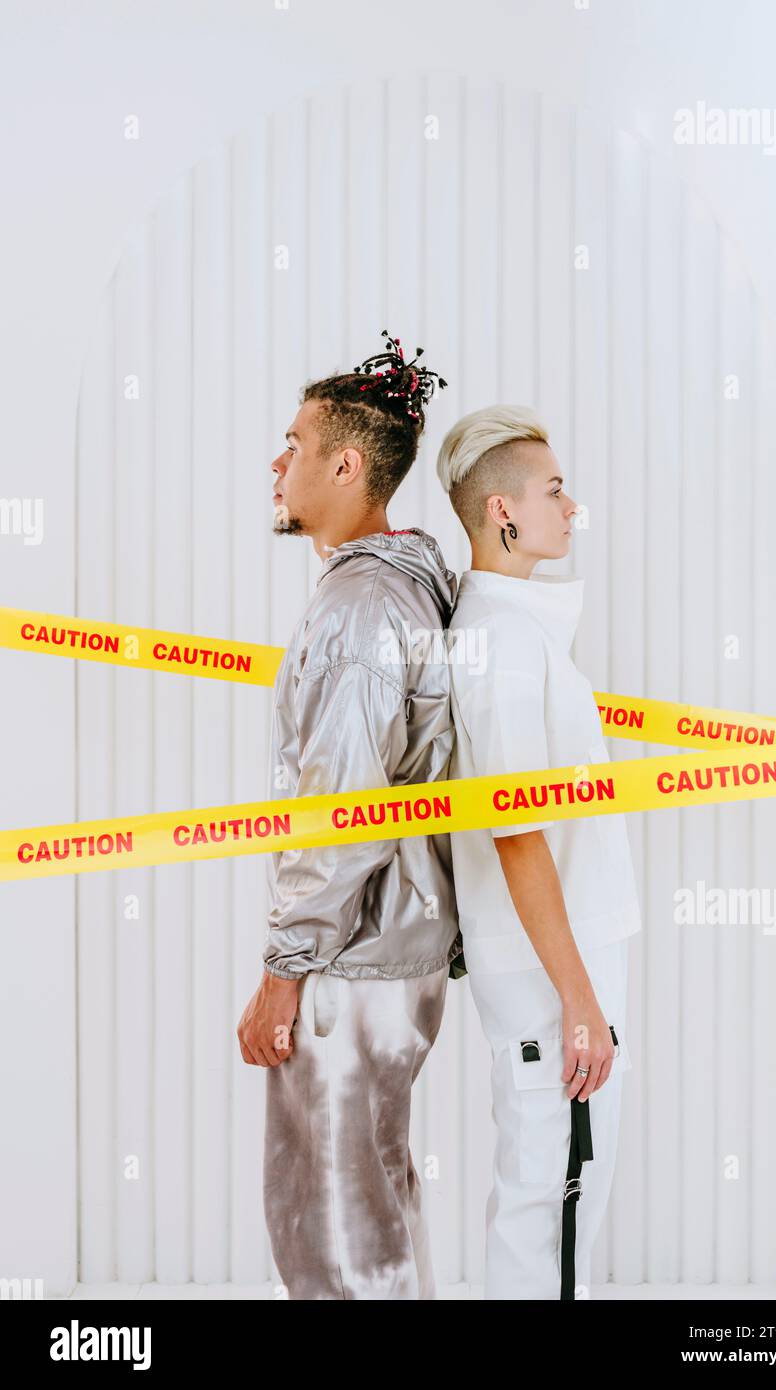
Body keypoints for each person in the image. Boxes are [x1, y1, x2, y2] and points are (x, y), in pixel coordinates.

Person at [237, 331, 463, 1300]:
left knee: (332, 1232)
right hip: (389, 949)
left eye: (293, 442)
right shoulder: (406, 581)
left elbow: (342, 810)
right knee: (374, 1205)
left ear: (346, 462)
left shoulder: (360, 604)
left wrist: (284, 969)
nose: (276, 462)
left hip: (349, 960)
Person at [436, 404, 642, 1300]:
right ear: (502, 514)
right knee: (549, 1204)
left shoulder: (518, 633)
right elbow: (515, 832)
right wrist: (579, 1000)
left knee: (563, 1201)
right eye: (554, 490)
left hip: (559, 956)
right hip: (550, 967)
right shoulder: (504, 648)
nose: (572, 506)